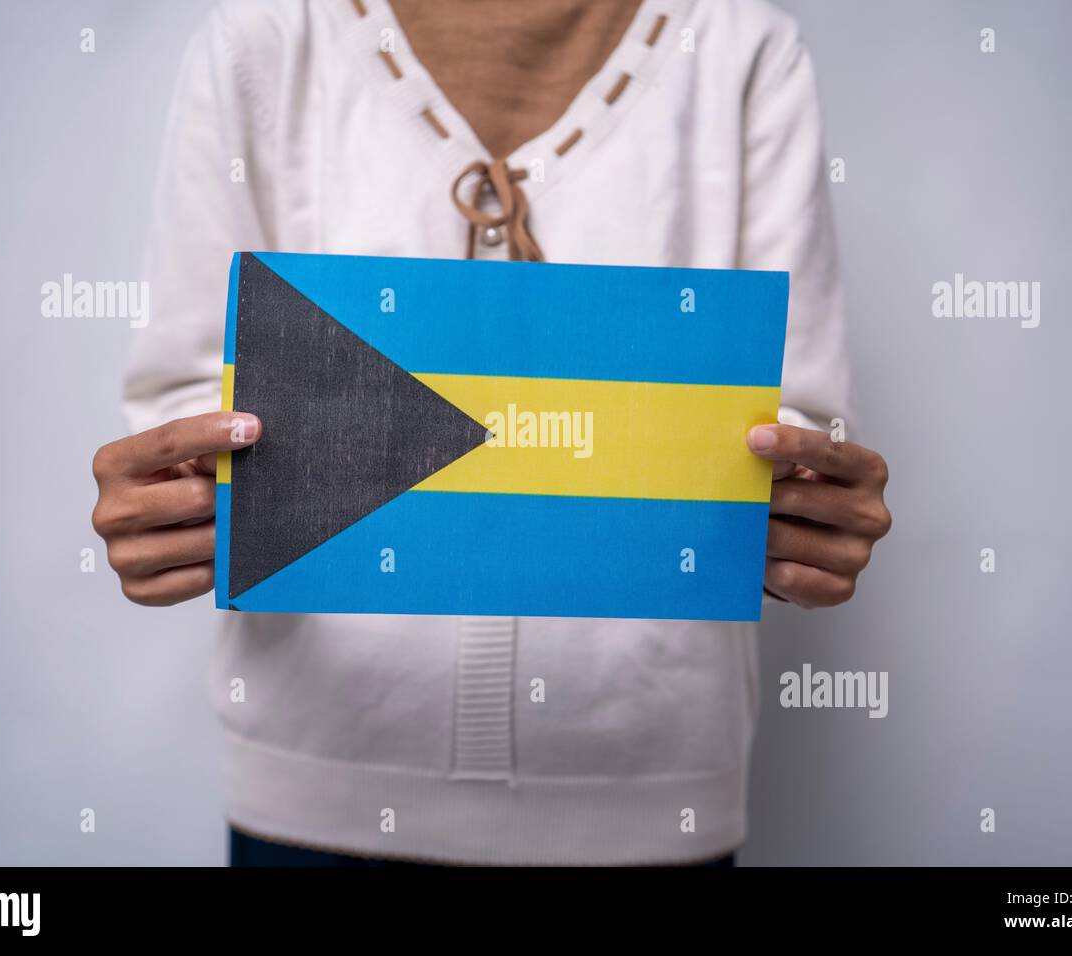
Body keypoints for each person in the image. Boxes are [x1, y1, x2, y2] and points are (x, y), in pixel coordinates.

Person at [90, 0, 892, 867]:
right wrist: (173, 497)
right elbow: (190, 389)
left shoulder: (742, 49)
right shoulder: (262, 38)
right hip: (315, 792)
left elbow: (797, 417)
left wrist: (806, 515)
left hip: (652, 804)